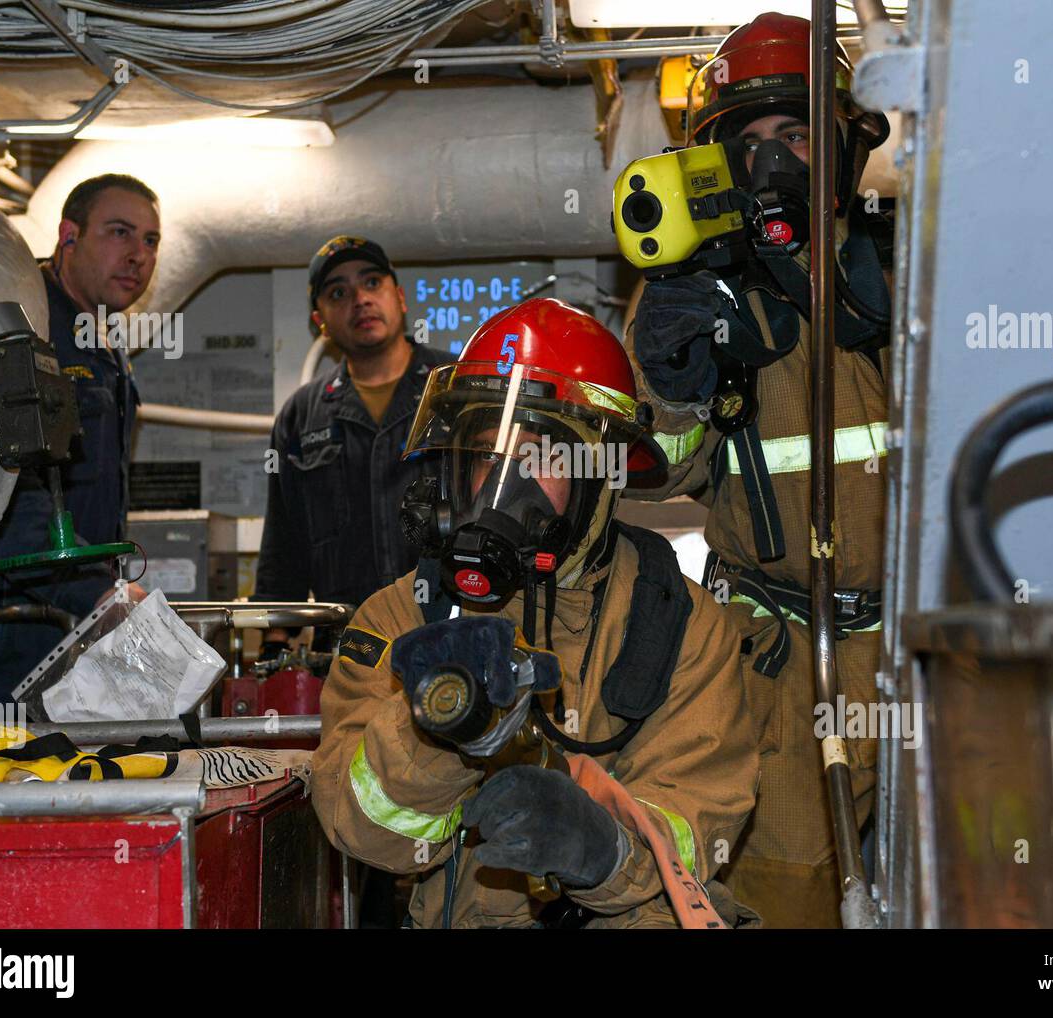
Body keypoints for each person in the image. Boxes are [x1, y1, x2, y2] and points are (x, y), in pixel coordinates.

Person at [312, 298, 758, 928]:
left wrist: (599, 847)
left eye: (541, 459)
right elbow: (363, 832)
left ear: (599, 477)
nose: (505, 486)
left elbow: (695, 828)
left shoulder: (682, 624)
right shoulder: (402, 618)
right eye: (486, 456)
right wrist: (438, 725)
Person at [623, 13, 893, 927]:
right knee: (788, 898)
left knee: (970, 882)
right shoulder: (692, 288)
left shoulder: (906, 270)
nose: (776, 160)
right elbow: (657, 474)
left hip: (920, 657)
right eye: (754, 143)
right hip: (776, 667)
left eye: (799, 135)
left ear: (845, 147)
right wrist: (673, 382)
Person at [0, 174, 160, 704]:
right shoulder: (22, 330)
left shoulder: (103, 344)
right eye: (120, 232)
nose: (138, 255)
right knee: (4, 755)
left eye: (151, 240)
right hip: (8, 626)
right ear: (68, 235)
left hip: (75, 620)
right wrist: (96, 592)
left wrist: (102, 596)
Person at [254, 237, 451, 641]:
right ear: (320, 321)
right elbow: (283, 548)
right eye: (338, 293)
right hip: (347, 647)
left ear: (400, 297)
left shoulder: (456, 386)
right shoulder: (301, 416)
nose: (360, 300)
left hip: (453, 633)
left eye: (372, 282)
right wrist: (275, 649)